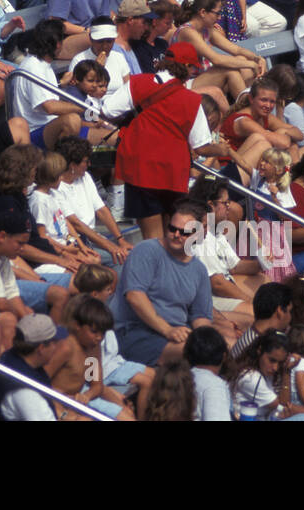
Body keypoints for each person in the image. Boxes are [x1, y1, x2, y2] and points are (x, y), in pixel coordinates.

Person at [101, 43, 211, 238]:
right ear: (185, 66)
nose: (193, 72)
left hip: (141, 169)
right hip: (174, 173)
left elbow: (108, 110)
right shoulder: (192, 99)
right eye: (193, 67)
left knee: (153, 241)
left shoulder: (138, 82)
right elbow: (202, 145)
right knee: (175, 239)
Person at [110, 198, 215, 365]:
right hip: (135, 332)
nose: (177, 235)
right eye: (173, 229)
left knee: (221, 348)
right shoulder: (146, 251)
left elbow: (200, 316)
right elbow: (134, 297)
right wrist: (168, 330)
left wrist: (209, 343)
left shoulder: (199, 270)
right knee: (195, 355)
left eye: (184, 232)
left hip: (177, 334)